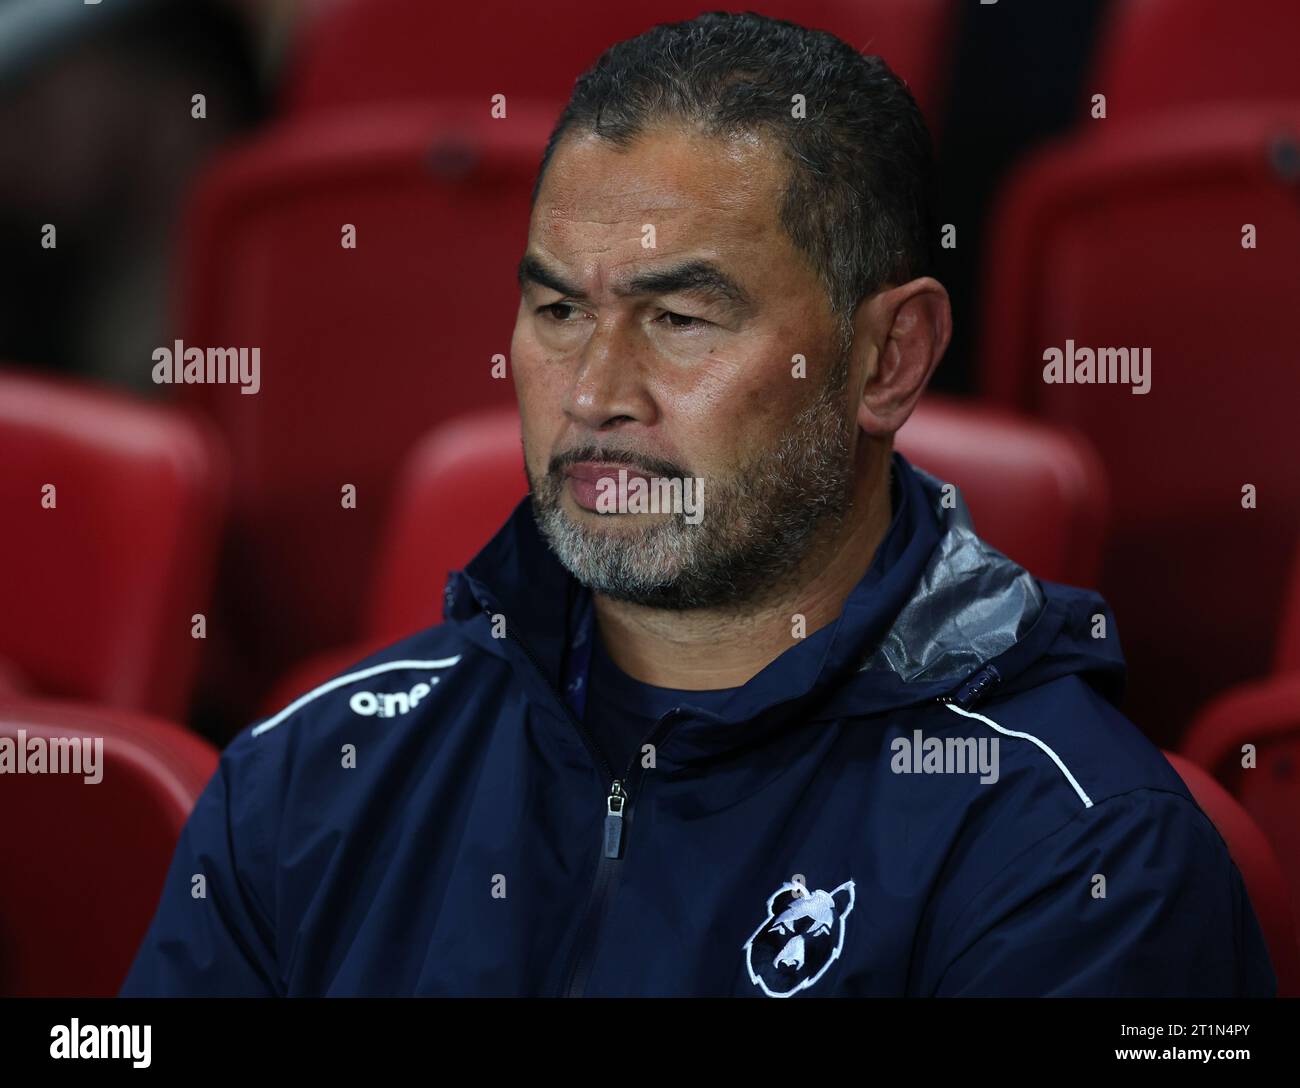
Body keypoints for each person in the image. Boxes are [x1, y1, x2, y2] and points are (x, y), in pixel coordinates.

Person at [120, 12, 1275, 998]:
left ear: (888, 359)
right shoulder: (309, 771)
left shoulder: (1088, 855)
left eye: (679, 320)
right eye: (560, 311)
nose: (594, 393)